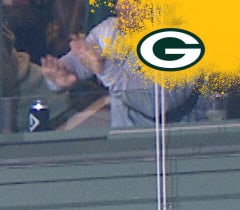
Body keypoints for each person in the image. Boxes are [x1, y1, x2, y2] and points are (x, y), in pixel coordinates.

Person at [39, 2, 203, 128]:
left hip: (174, 155)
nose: (119, 6)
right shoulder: (111, 29)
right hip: (122, 146)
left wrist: (105, 69)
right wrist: (60, 74)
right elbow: (78, 61)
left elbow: (156, 103)